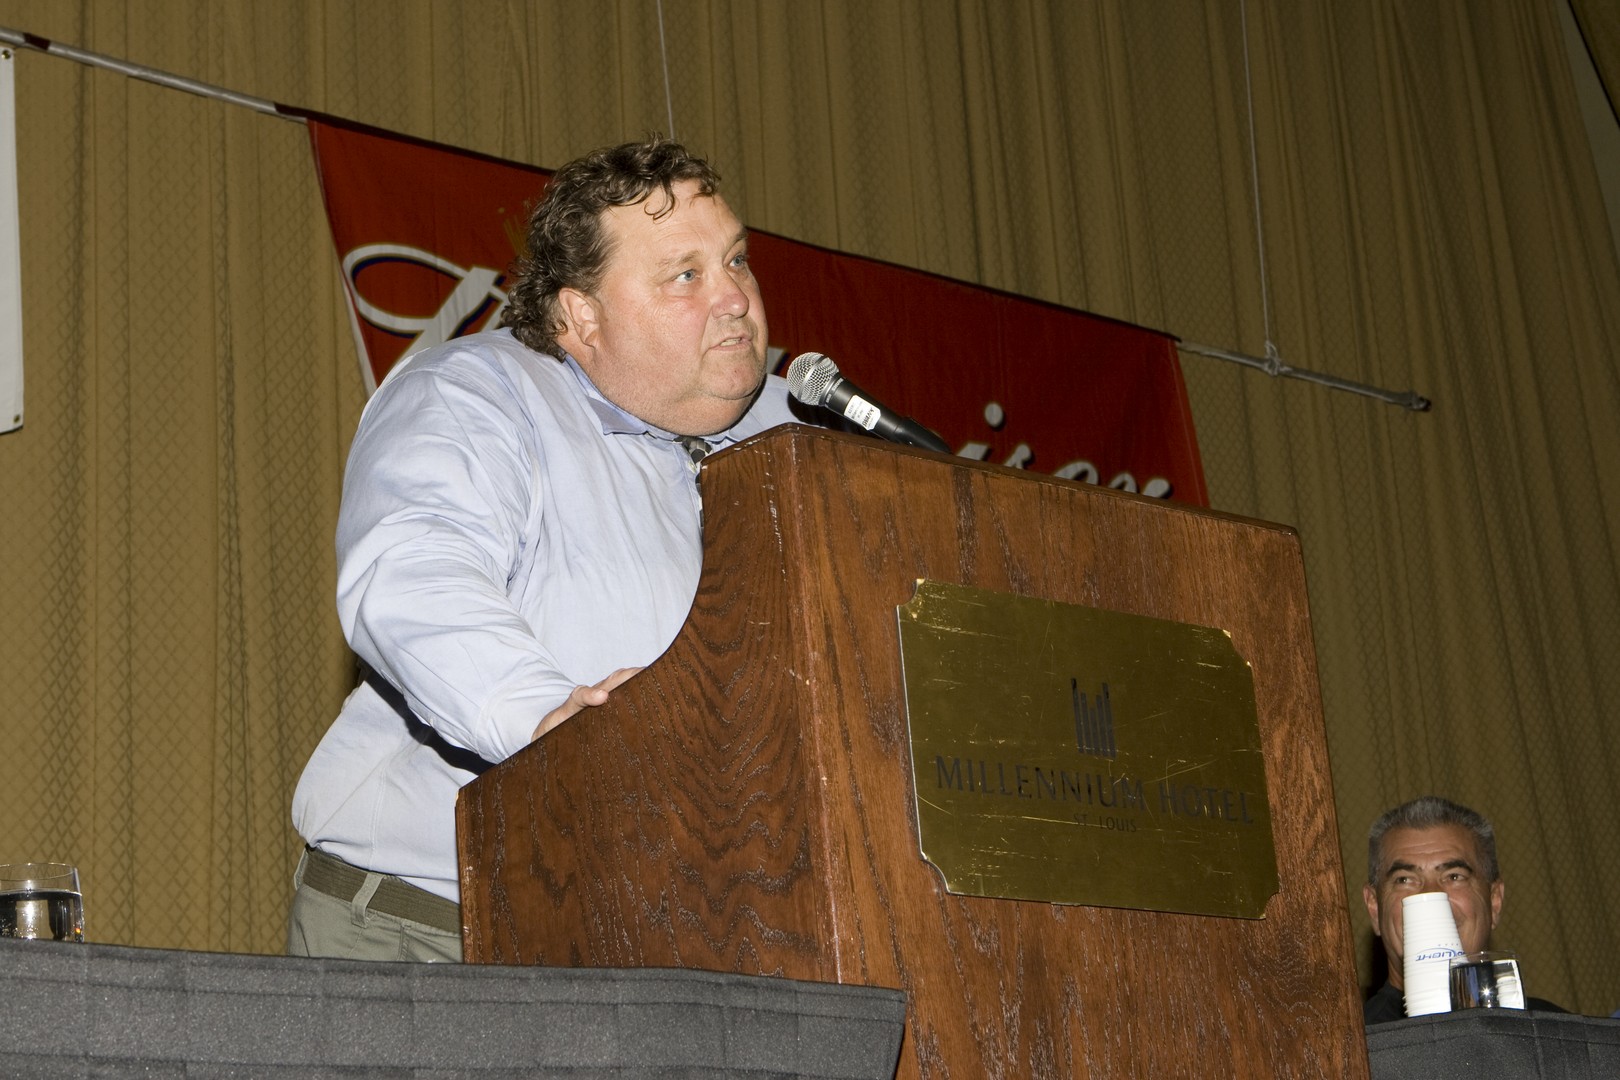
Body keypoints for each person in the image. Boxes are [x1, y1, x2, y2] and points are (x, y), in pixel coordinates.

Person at [287, 137, 802, 961]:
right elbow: (413, 574)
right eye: (685, 275)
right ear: (582, 317)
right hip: (436, 926)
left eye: (736, 260)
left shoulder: (803, 433)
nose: (736, 297)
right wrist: (561, 728)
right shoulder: (474, 395)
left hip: (679, 934)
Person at [1362, 795, 1566, 1023]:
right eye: (1404, 880)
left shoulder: (1560, 1034)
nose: (1431, 896)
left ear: (1494, 901)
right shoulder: (1353, 1041)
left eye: (1454, 877)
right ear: (1374, 909)